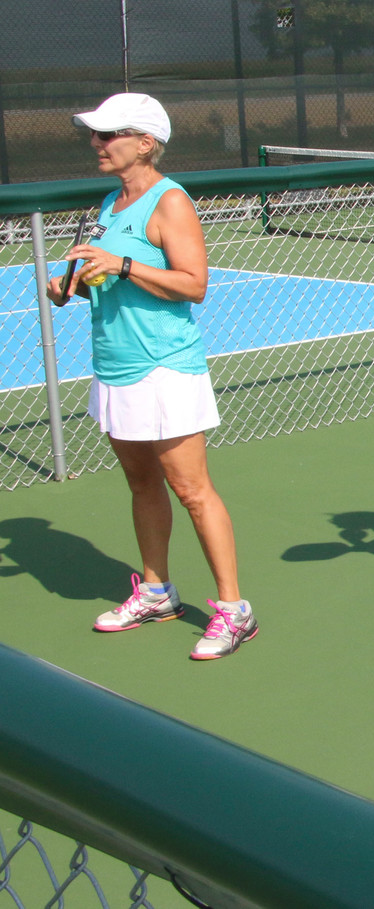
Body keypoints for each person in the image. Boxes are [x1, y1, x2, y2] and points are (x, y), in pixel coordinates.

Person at [45, 93, 257, 660]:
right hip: (114, 366)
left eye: (108, 134)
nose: (97, 143)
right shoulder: (111, 204)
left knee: (191, 490)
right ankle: (157, 591)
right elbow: (106, 276)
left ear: (145, 143)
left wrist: (123, 265)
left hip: (164, 367)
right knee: (142, 485)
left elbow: (195, 284)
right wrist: (71, 284)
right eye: (95, 134)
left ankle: (234, 611)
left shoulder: (171, 203)